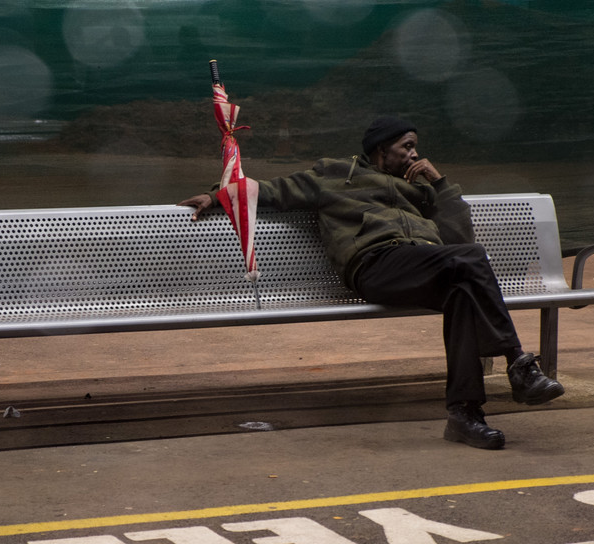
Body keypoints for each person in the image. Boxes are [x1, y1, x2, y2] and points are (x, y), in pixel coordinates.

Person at [179, 116, 563, 450]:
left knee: (463, 292)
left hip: (423, 266)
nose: (414, 155)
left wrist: (439, 183)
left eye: (416, 148)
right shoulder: (334, 175)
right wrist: (216, 196)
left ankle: (465, 416)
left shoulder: (420, 189)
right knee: (472, 263)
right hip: (376, 266)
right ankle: (518, 363)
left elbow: (461, 240)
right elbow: (272, 190)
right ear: (381, 150)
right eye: (406, 147)